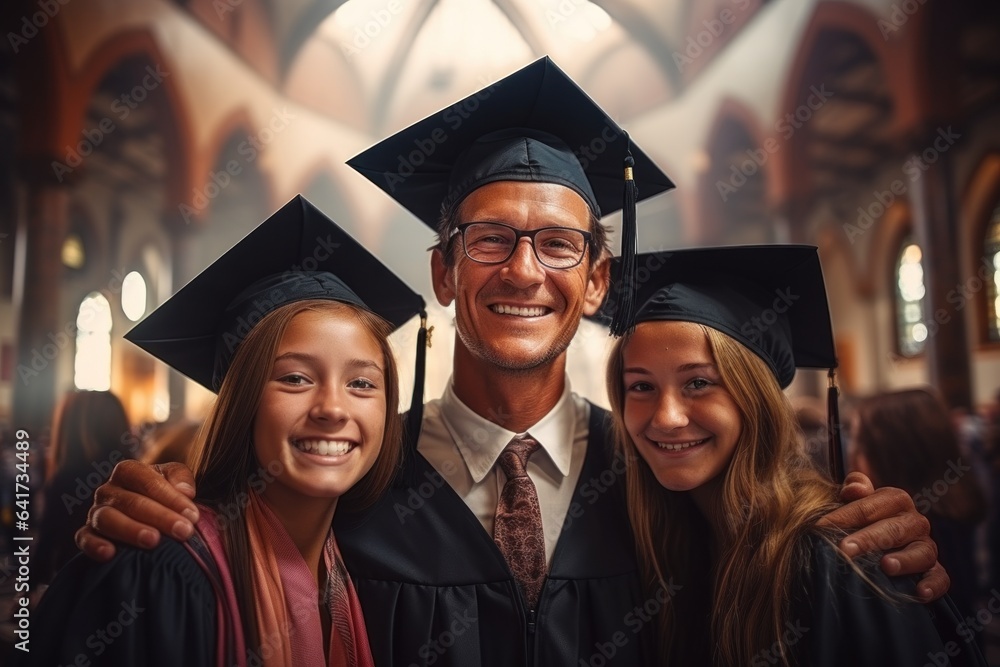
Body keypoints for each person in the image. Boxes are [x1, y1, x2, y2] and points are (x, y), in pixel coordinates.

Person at [75, 59, 948, 666]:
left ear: (599, 279)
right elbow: (239, 549)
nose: (524, 271)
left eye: (560, 245)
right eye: (489, 239)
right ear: (445, 271)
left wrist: (863, 551)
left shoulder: (658, 477)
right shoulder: (359, 478)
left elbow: (776, 554)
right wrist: (152, 512)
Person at [25, 196, 425, 666]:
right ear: (242, 403)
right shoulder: (156, 568)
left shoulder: (358, 571)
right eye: (295, 378)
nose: (332, 408)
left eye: (361, 383)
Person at [603, 245, 985, 666]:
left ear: (756, 398)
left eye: (698, 383)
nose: (667, 417)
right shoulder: (661, 547)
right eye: (641, 386)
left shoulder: (838, 558)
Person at [850, 388, 988, 621]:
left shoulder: (915, 528)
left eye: (858, 441)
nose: (852, 453)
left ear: (890, 453)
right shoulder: (954, 502)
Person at [34, 389, 134, 585]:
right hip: (125, 582)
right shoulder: (134, 475)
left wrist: (29, 589)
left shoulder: (65, 479)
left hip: (76, 581)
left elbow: (47, 542)